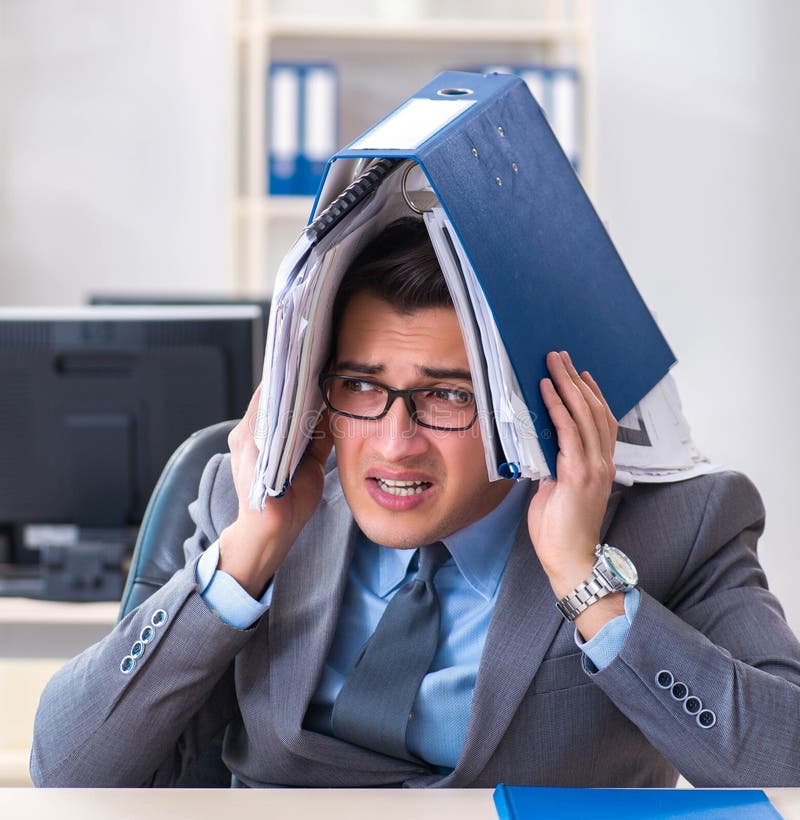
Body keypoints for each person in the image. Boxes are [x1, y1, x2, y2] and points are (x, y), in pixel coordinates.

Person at [31, 218, 800, 788]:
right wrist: (247, 556)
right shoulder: (247, 496)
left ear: (523, 411)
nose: (395, 444)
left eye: (446, 395)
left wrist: (584, 578)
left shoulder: (682, 522)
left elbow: (786, 765)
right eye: (361, 385)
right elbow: (66, 770)